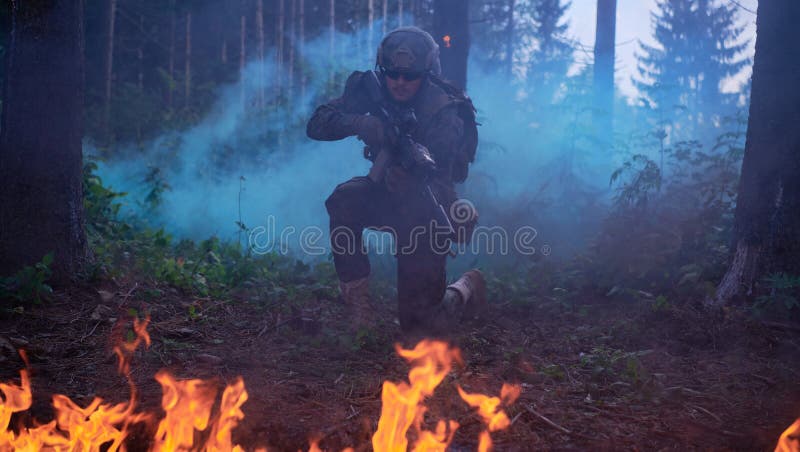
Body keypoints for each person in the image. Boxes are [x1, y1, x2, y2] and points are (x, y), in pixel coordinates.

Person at [306, 26, 485, 335]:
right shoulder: (371, 89)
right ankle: (359, 307)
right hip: (384, 192)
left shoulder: (445, 110)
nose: (400, 83)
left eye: (411, 76)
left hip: (428, 205)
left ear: (426, 74)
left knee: (420, 328)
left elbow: (442, 177)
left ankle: (463, 290)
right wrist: (360, 122)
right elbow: (317, 123)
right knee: (344, 200)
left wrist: (409, 180)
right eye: (393, 74)